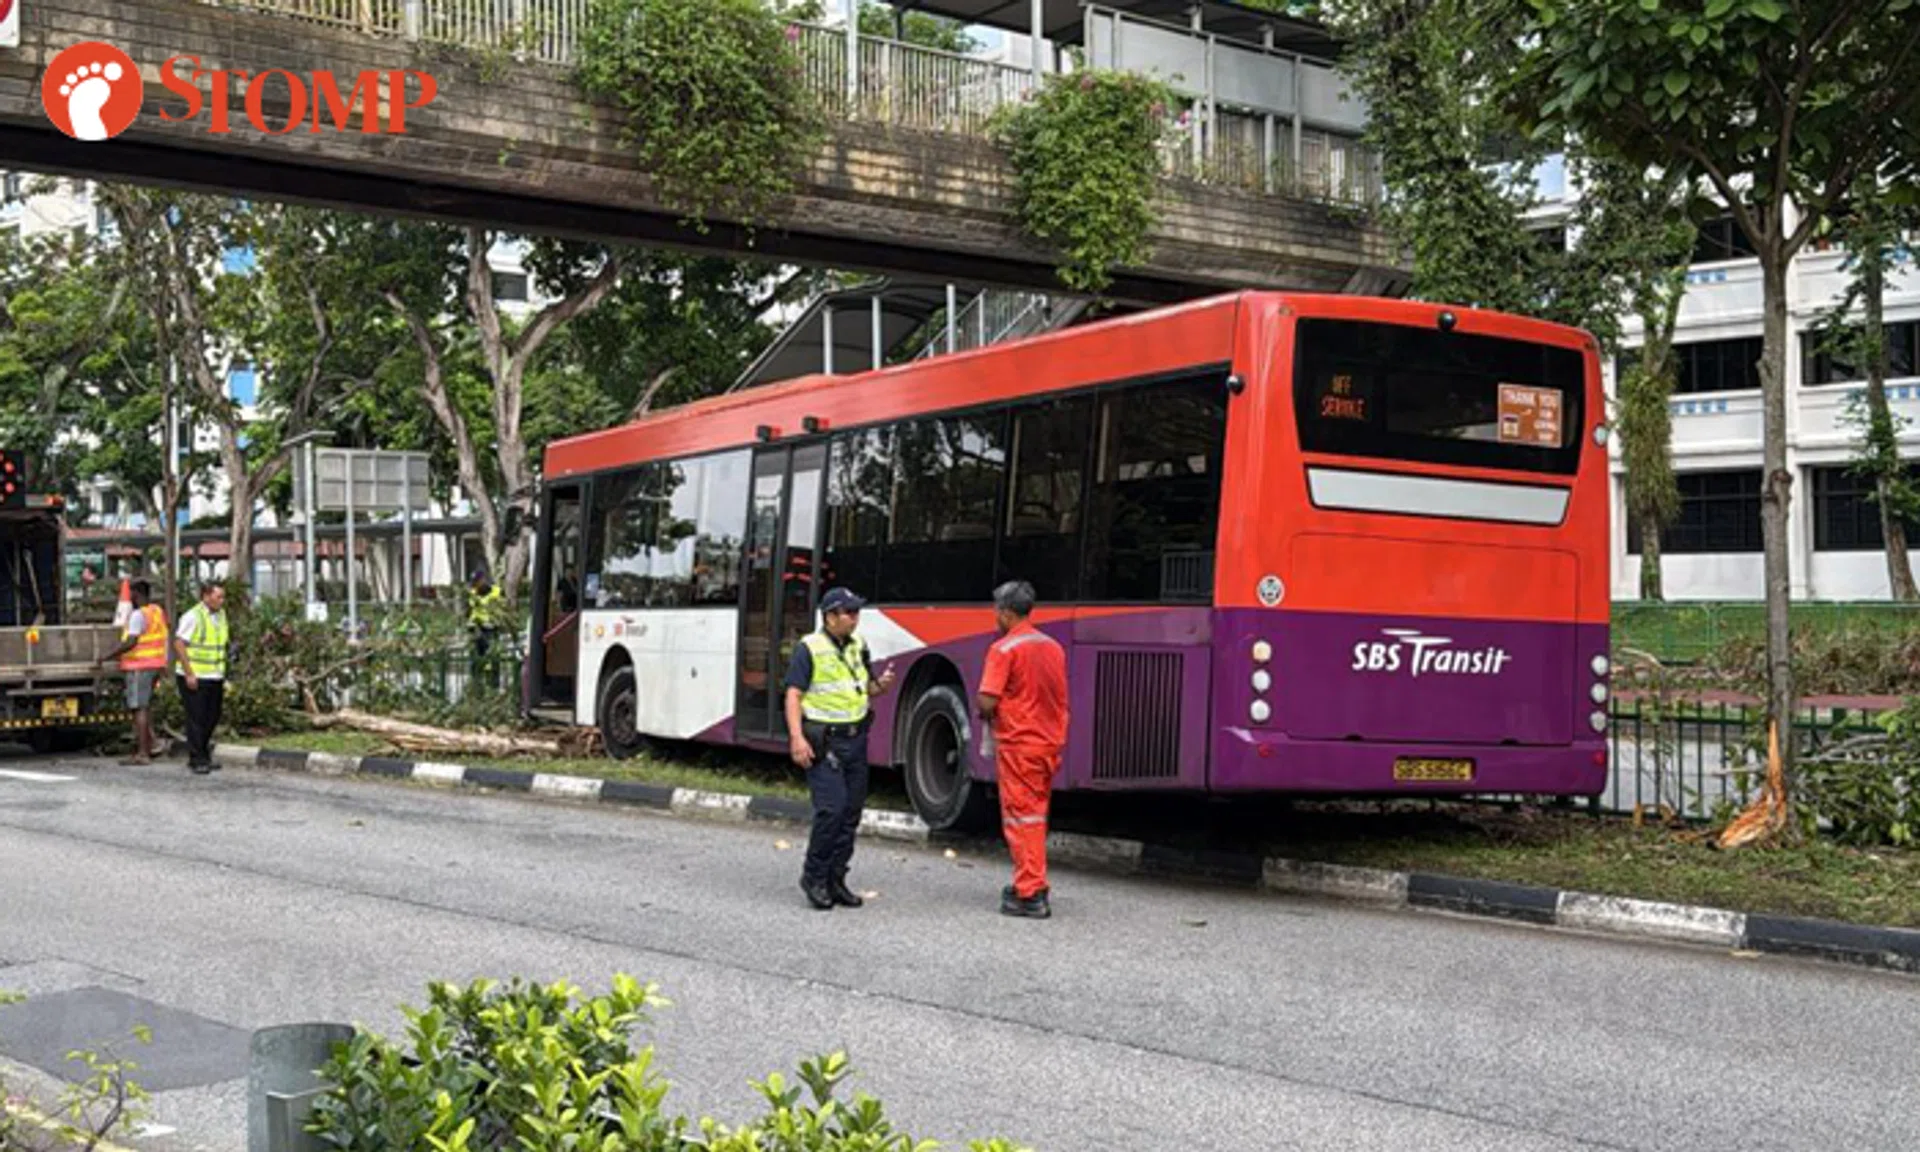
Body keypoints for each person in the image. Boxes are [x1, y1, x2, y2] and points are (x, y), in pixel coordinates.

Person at [785, 586, 895, 910]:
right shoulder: (809, 648)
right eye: (849, 612)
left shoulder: (858, 645)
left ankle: (836, 879)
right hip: (825, 742)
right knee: (831, 810)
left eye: (857, 612)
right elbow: (793, 695)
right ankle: (814, 877)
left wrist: (880, 687)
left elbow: (862, 688)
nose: (855, 618)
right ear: (830, 616)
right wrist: (796, 738)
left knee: (850, 814)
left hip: (856, 740)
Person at [977, 580, 1069, 919]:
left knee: (1020, 819)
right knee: (1035, 815)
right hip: (1048, 743)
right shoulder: (1053, 647)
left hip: (1019, 743)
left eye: (996, 611)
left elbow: (988, 699)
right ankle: (1034, 882)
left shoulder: (1004, 650)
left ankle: (1029, 892)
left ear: (1005, 612)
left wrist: (986, 711)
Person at [96, 579, 167, 765]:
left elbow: (131, 642)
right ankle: (152, 745)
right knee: (145, 706)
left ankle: (143, 753)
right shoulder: (157, 611)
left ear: (136, 594)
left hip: (139, 667)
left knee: (138, 708)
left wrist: (108, 656)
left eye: (132, 594)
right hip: (155, 665)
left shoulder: (138, 615)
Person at [172, 581, 230, 776]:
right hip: (195, 676)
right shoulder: (192, 616)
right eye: (218, 597)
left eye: (222, 597)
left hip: (214, 675)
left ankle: (204, 753)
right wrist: (189, 673)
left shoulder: (220, 616)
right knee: (196, 718)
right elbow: (179, 644)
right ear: (206, 596)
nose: (222, 601)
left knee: (212, 716)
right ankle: (197, 758)